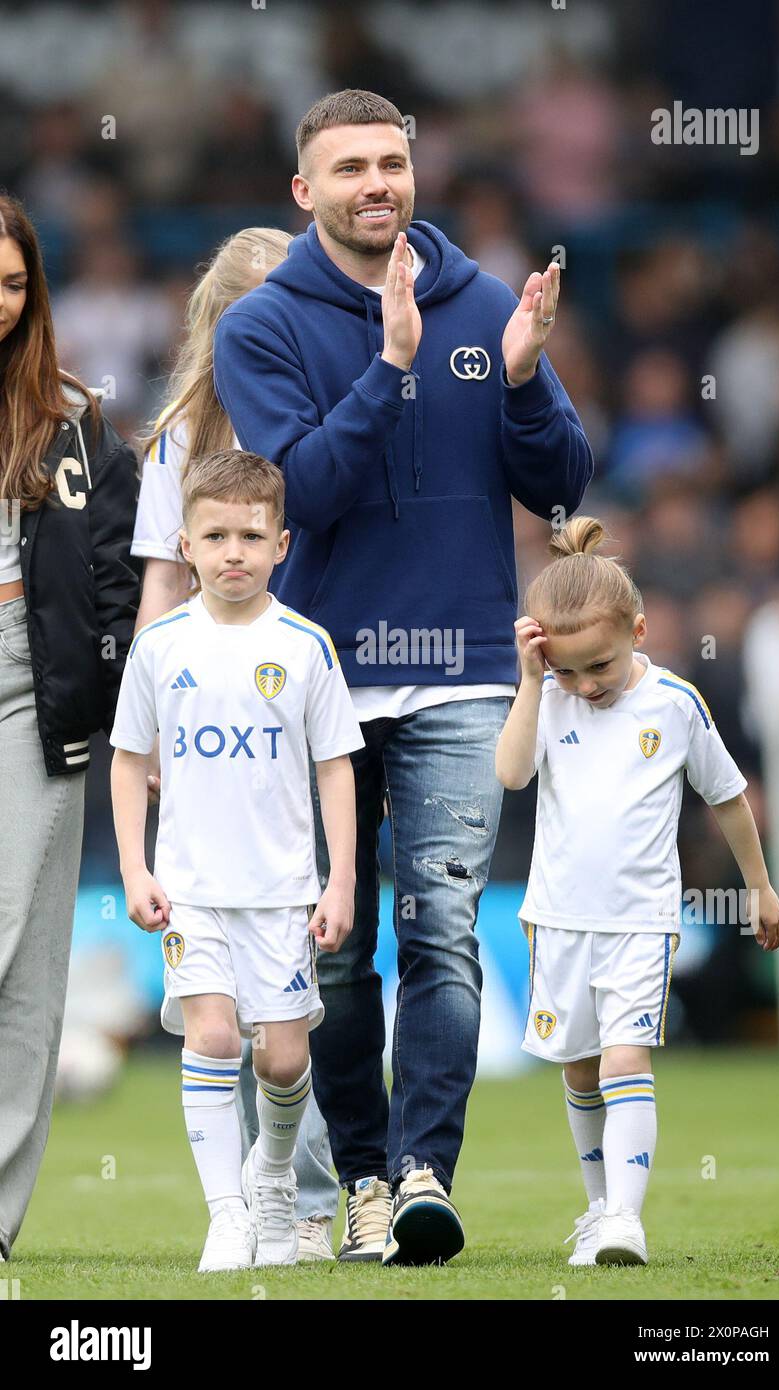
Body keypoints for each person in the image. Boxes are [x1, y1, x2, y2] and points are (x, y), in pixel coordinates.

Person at [213, 88, 594, 1265]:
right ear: (304, 192)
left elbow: (563, 483)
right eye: (349, 169)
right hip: (318, 682)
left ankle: (423, 1173)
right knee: (330, 950)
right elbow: (303, 497)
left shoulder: (485, 302)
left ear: (412, 173)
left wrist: (524, 382)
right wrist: (387, 366)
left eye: (391, 163)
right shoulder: (263, 328)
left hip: (467, 672)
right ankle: (361, 1179)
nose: (376, 184)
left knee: (440, 935)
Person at [495, 515, 779, 1266]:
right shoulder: (547, 697)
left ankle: (625, 1218)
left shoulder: (674, 705)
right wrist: (534, 683)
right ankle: (596, 1213)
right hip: (555, 920)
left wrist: (758, 885)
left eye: (598, 665)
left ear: (638, 631)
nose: (585, 685)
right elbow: (511, 774)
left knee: (626, 1060)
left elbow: (726, 796)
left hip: (639, 922)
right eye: (567, 670)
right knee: (580, 1068)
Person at [132, 227, 340, 1262]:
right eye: (251, 301)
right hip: (214, 715)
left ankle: (323, 1189)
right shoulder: (183, 432)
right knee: (224, 1014)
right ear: (218, 315)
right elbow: (161, 578)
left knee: (302, 989)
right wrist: (152, 710)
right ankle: (268, 1205)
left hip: (316, 690)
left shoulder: (324, 394)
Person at [109, 448, 364, 1272]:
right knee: (213, 1040)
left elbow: (334, 767)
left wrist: (341, 879)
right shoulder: (161, 647)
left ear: (281, 545)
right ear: (183, 543)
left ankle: (275, 1179)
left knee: (283, 1058)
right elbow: (124, 759)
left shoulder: (304, 646)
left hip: (282, 894)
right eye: (214, 535)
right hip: (192, 892)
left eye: (250, 537)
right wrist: (135, 871)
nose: (232, 553)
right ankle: (226, 1215)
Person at [0, 193, 141, 1260]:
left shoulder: (74, 421)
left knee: (25, 969)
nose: (0, 305)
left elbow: (118, 574)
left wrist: (104, 689)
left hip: (26, 688)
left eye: (14, 284)